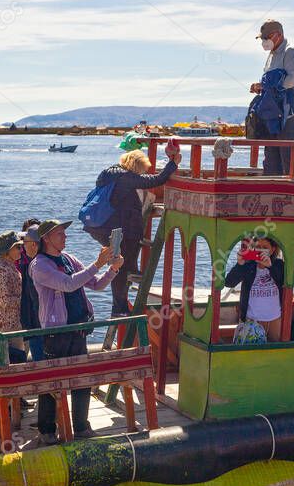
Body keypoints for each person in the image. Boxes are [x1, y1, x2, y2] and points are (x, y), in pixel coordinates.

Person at [29, 219, 123, 443]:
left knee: (82, 380)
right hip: (56, 333)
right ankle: (47, 431)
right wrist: (98, 264)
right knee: (52, 384)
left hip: (78, 331)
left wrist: (113, 268)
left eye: (64, 233)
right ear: (46, 238)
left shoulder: (68, 259)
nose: (65, 237)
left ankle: (81, 427)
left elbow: (97, 284)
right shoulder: (39, 265)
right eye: (60, 233)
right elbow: (69, 284)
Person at [88, 146, 181, 316]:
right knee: (120, 268)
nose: (141, 174)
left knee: (123, 265)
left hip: (105, 226)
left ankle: (122, 298)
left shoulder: (110, 174)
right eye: (142, 169)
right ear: (136, 166)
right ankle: (119, 308)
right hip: (118, 230)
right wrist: (173, 164)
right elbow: (155, 180)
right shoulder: (125, 177)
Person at [249, 20, 294, 176]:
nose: (263, 42)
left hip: (291, 113)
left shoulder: (293, 51)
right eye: (262, 39)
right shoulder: (272, 55)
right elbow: (269, 81)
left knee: (290, 156)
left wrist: (266, 86)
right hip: (273, 114)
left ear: (278, 35)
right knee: (271, 156)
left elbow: (292, 80)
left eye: (266, 37)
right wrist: (259, 86)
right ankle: (271, 194)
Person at [224, 237, 286, 341]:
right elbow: (229, 282)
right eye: (258, 247)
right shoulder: (248, 265)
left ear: (273, 249)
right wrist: (239, 264)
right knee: (250, 353)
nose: (260, 250)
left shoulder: (279, 265)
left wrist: (270, 266)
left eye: (265, 247)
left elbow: (285, 282)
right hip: (251, 320)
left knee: (274, 352)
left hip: (274, 320)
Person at [0, 231, 25, 352]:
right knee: (15, 358)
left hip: (11, 323)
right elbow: (5, 301)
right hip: (5, 326)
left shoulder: (9, 265)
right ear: (8, 250)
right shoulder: (3, 269)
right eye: (18, 247)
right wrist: (26, 300)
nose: (21, 250)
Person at [17, 219, 45, 361]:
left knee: (38, 347)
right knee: (30, 345)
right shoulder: (18, 258)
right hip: (26, 310)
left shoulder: (44, 259)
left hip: (40, 312)